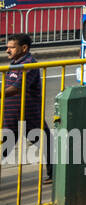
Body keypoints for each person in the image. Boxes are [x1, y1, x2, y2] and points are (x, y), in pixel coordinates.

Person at [3, 33, 50, 181]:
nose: (7, 50)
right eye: (7, 47)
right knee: (6, 146)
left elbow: (16, 88)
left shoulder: (29, 64)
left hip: (28, 113)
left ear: (24, 48)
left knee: (46, 143)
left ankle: (56, 174)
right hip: (12, 114)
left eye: (11, 47)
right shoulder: (16, 62)